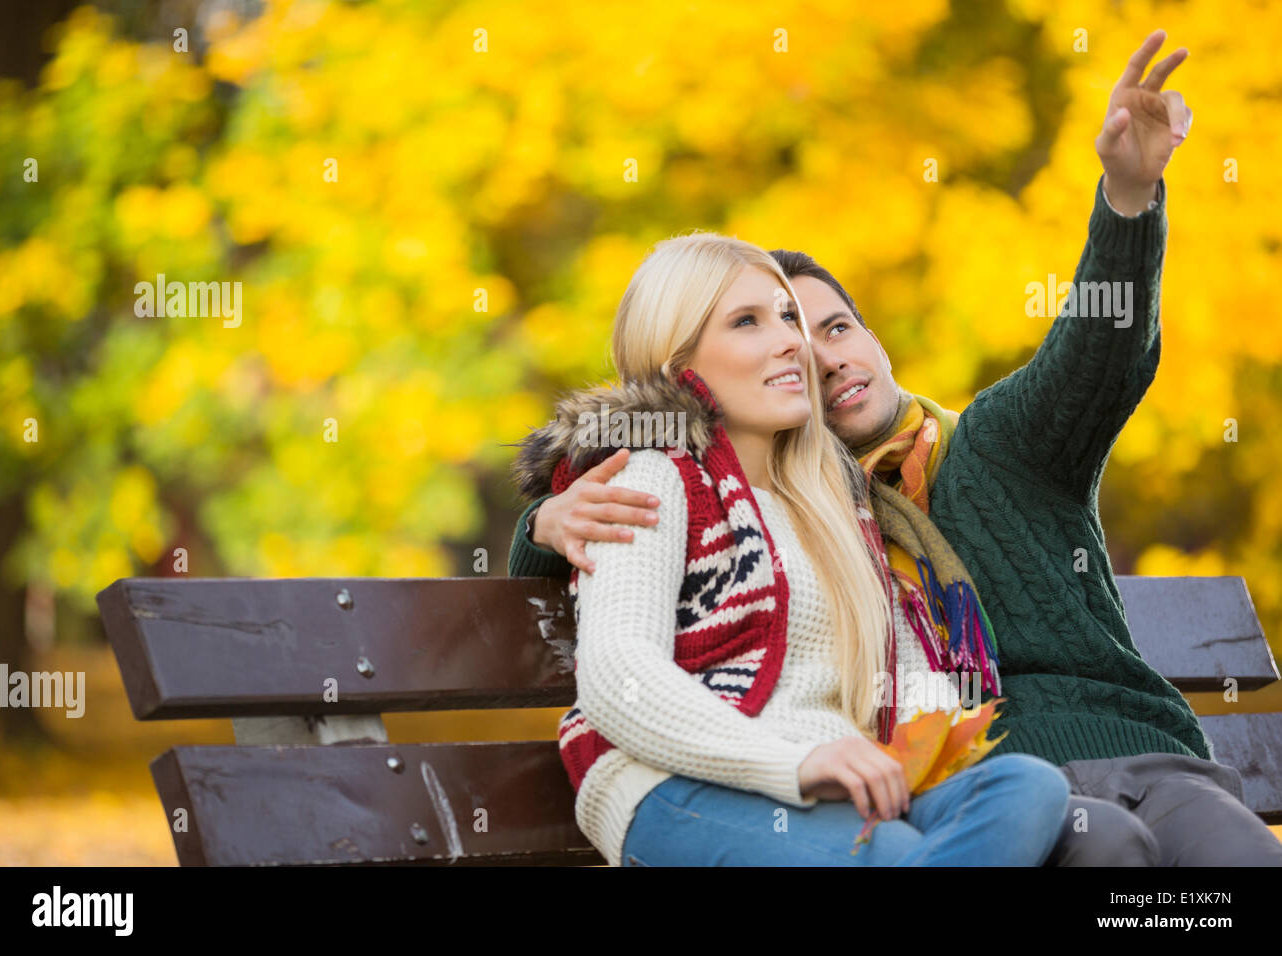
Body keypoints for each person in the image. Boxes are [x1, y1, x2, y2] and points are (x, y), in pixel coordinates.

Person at [508, 30, 1282, 866]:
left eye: (830, 326)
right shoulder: (781, 501)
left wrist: (1127, 199)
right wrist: (546, 520)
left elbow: (1097, 353)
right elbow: (628, 543)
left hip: (1111, 763)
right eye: (775, 330)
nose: (816, 353)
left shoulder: (990, 448)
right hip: (942, 791)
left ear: (876, 338)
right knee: (1102, 852)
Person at [510, 229, 1071, 867]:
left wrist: (913, 760)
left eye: (786, 316)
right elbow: (619, 679)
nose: (790, 340)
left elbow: (908, 670)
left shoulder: (836, 506)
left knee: (1025, 791)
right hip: (679, 784)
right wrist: (797, 763)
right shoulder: (650, 475)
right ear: (678, 366)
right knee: (889, 853)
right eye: (747, 322)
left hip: (838, 788)